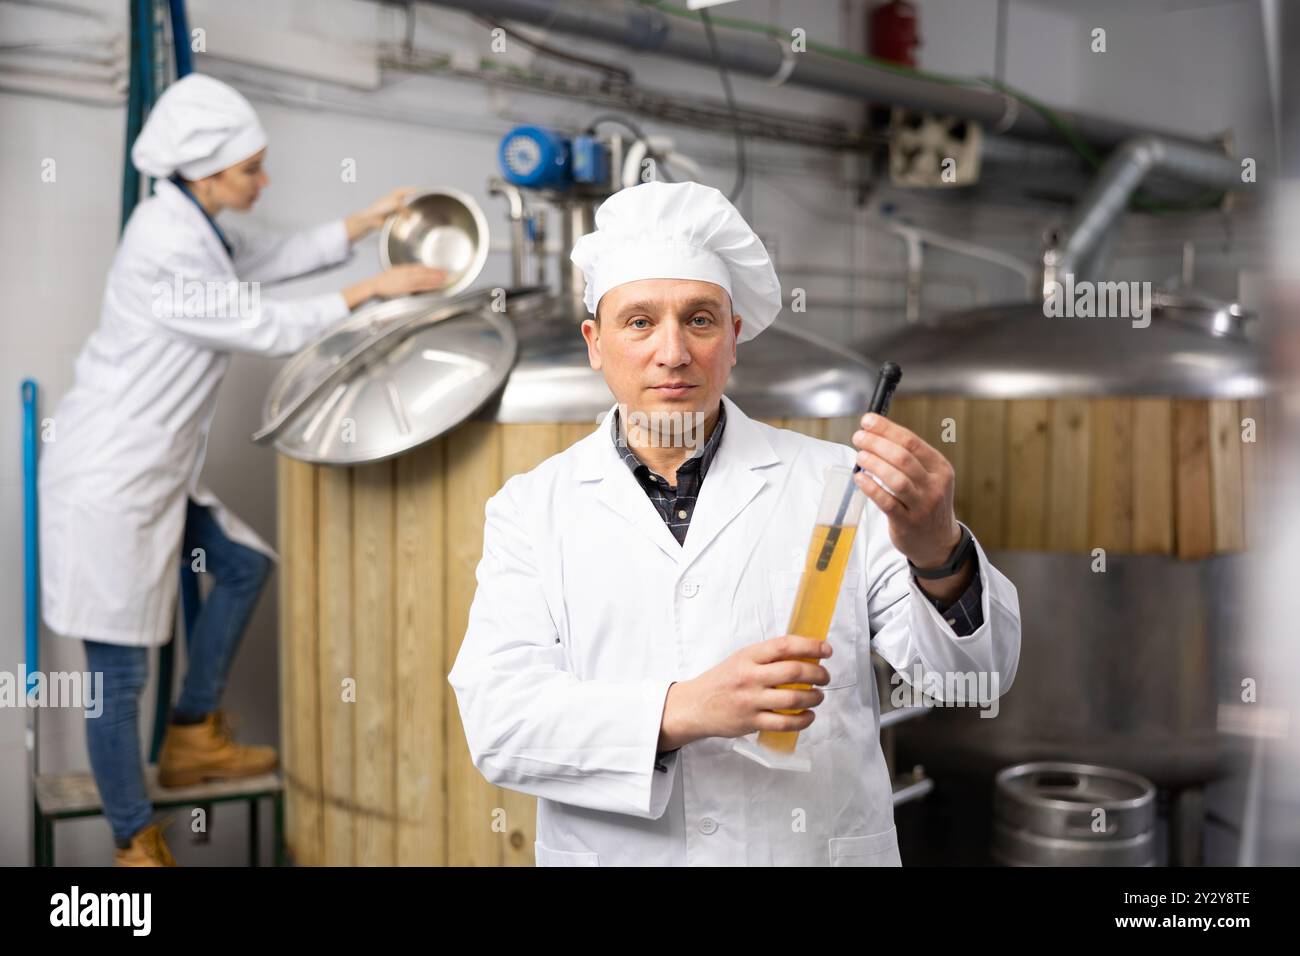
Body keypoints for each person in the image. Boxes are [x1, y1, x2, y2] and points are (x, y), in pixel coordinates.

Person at [448, 180, 1021, 866]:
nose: (672, 351)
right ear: (595, 343)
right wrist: (684, 709)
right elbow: (500, 726)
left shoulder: (839, 484)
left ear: (734, 336)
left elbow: (976, 679)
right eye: (639, 322)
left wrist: (938, 553)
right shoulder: (531, 509)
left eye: (699, 319)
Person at [39, 73, 447, 866]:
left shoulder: (196, 220)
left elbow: (268, 259)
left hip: (154, 474)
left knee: (240, 566)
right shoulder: (163, 241)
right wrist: (371, 289)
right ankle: (135, 840)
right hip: (109, 481)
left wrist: (362, 225)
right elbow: (255, 320)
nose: (265, 181)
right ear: (203, 171)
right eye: (251, 169)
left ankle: (192, 734)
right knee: (118, 676)